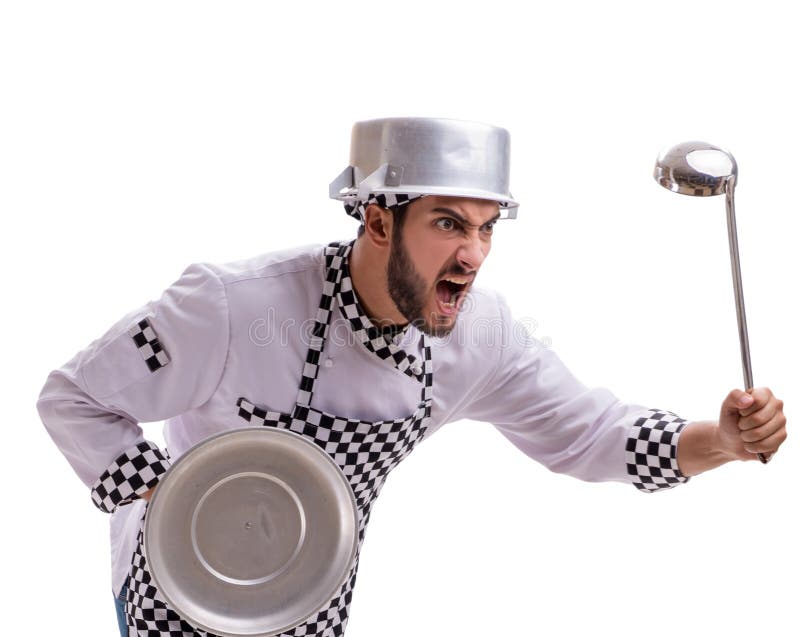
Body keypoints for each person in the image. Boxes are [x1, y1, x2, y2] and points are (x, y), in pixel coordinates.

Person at [37, 117, 787, 637]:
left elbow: (592, 434)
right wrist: (175, 499)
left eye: (488, 226)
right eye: (449, 223)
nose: (475, 254)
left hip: (312, 601)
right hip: (177, 593)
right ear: (377, 221)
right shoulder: (234, 304)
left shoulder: (480, 337)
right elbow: (74, 397)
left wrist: (719, 440)